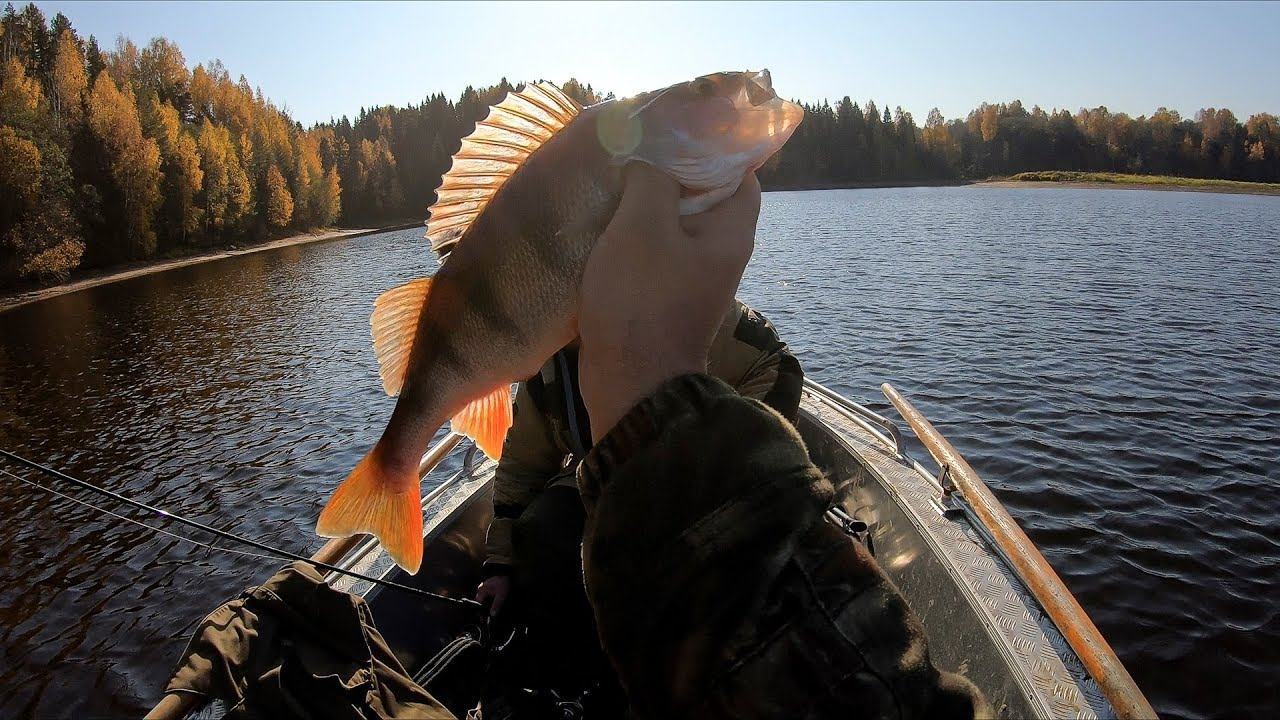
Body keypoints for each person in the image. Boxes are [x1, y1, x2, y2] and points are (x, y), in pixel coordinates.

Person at [565, 163, 987, 718]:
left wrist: (659, 422)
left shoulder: (736, 332)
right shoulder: (542, 376)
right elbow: (521, 462)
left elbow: (780, 371)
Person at [475, 299, 803, 708]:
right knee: (541, 534)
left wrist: (726, 472)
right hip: (604, 485)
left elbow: (779, 366)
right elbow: (523, 465)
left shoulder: (695, 312)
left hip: (703, 488)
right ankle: (580, 683)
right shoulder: (547, 365)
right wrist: (499, 565)